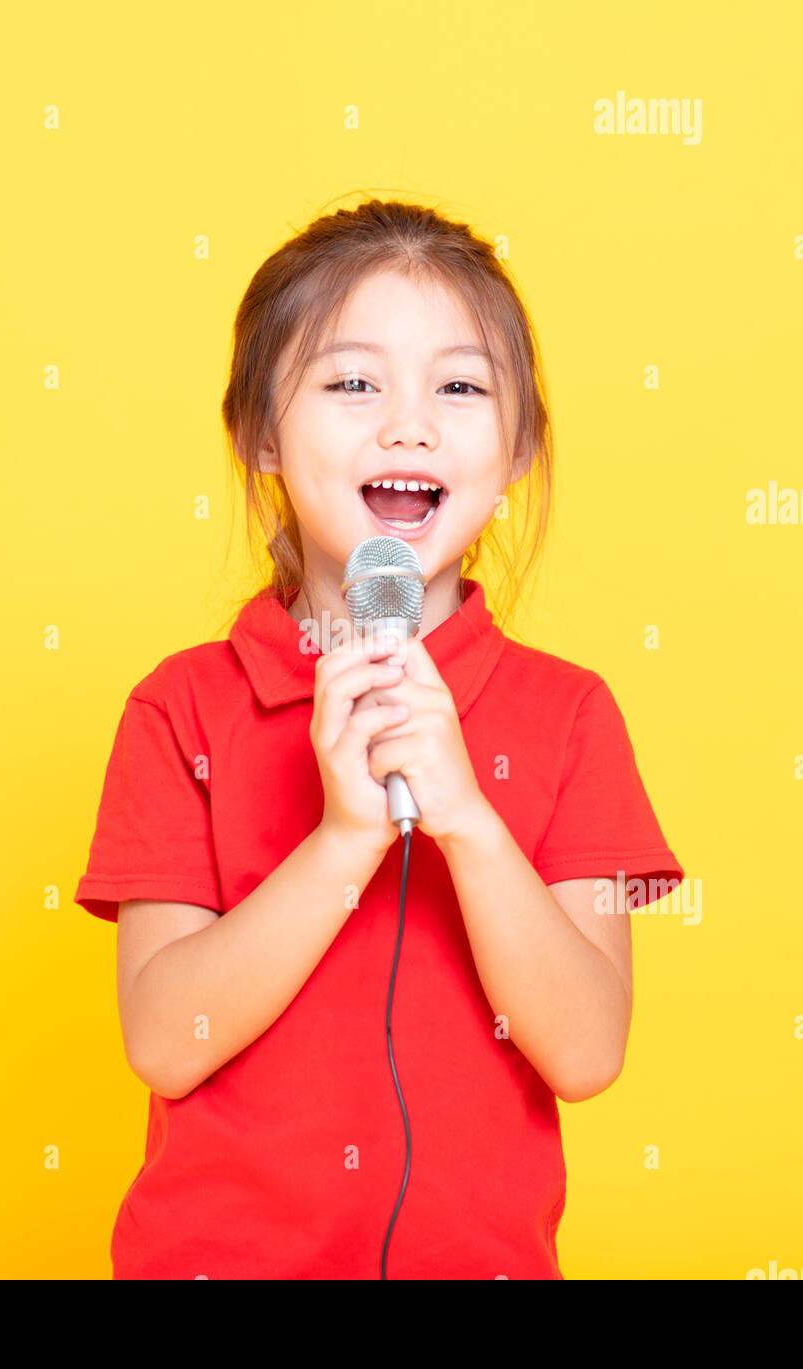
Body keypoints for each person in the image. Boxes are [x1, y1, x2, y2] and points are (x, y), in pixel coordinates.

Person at [74, 198, 684, 1279]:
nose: (408, 425)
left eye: (458, 387)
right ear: (260, 431)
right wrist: (343, 839)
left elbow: (586, 1052)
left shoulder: (571, 715)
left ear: (517, 455)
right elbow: (166, 1041)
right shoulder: (179, 711)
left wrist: (467, 821)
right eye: (352, 382)